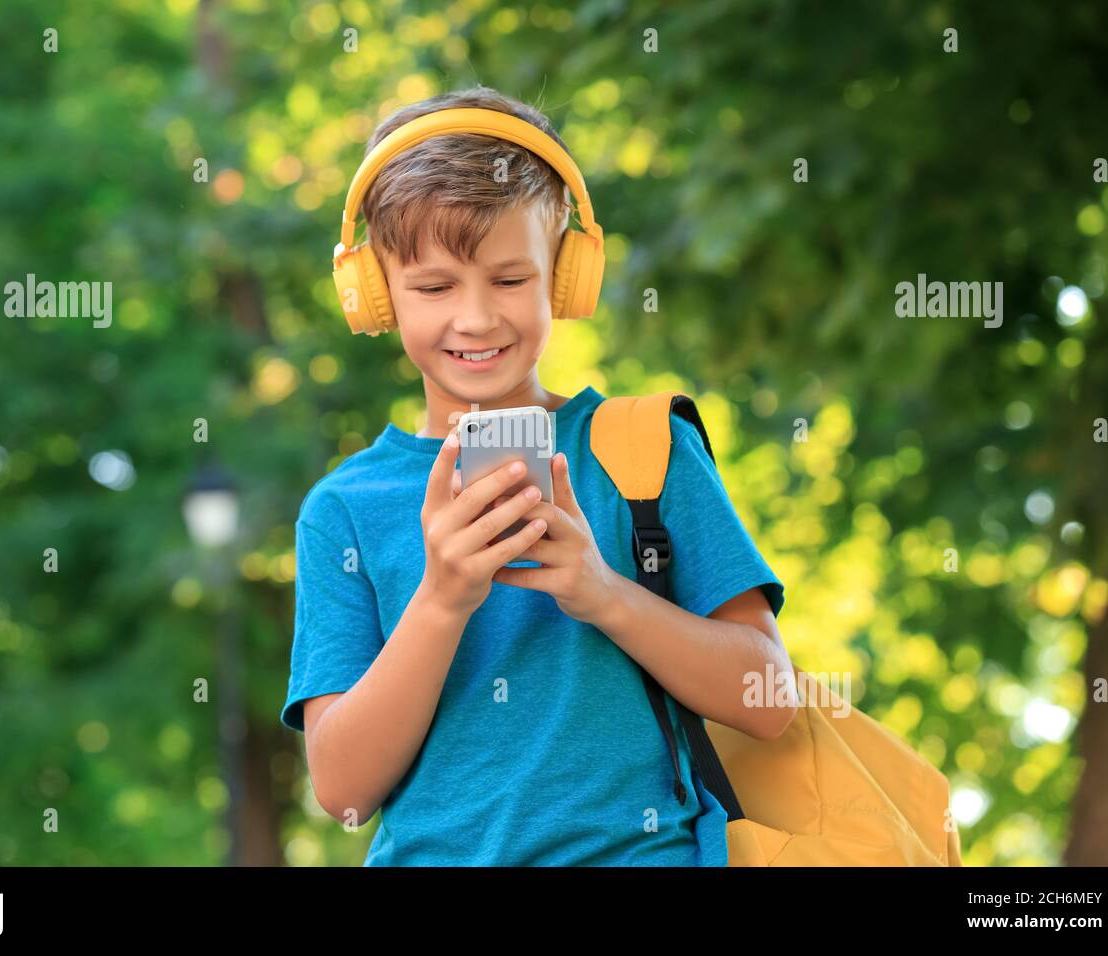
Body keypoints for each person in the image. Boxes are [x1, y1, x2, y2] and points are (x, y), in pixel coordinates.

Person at [281, 85, 792, 865]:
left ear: (565, 275)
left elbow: (770, 697)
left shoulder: (645, 452)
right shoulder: (343, 510)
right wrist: (442, 599)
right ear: (377, 294)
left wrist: (604, 593)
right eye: (434, 286)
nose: (478, 318)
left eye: (511, 280)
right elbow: (343, 791)